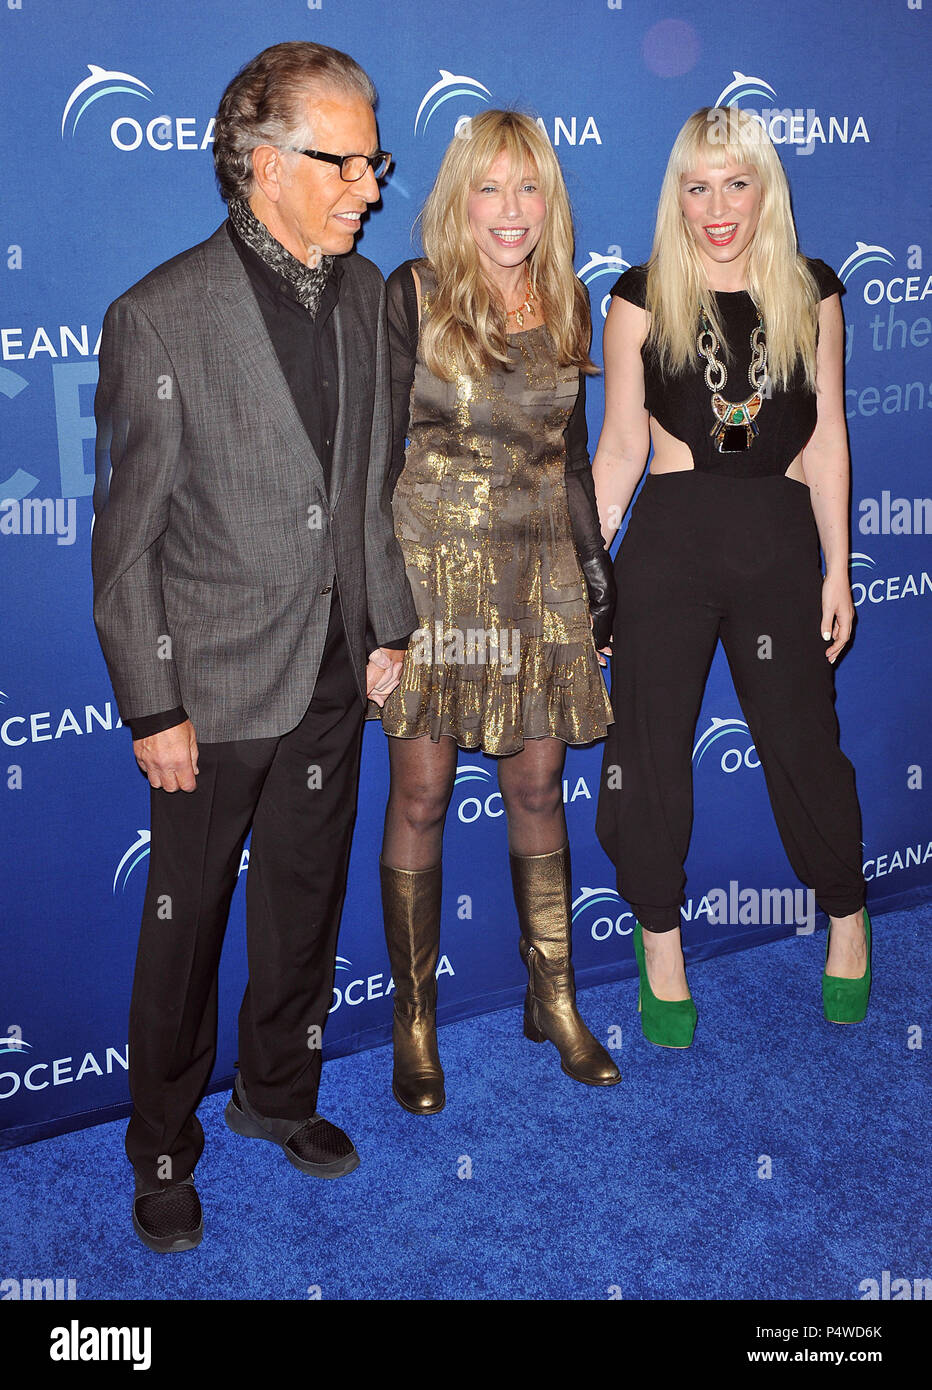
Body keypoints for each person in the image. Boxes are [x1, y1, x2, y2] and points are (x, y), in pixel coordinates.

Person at [91, 41, 417, 1252]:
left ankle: (275, 1097)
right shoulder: (159, 316)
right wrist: (150, 705)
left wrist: (384, 629)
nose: (370, 185)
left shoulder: (369, 291)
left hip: (333, 671)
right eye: (346, 161)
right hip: (211, 686)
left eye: (373, 159)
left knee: (301, 904)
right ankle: (161, 1145)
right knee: (183, 928)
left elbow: (366, 488)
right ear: (263, 162)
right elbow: (125, 547)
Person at [592, 106, 870, 1049]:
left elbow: (828, 437)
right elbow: (621, 449)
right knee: (649, 751)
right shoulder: (638, 295)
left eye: (736, 183)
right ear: (677, 193)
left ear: (765, 189)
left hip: (779, 542)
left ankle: (846, 916)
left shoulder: (812, 291)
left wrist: (838, 566)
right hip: (667, 545)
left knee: (806, 746)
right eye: (697, 185)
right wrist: (592, 575)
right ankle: (658, 938)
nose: (718, 207)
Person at [373, 109, 621, 1114]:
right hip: (432, 580)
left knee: (536, 785)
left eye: (528, 189)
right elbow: (369, 461)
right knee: (423, 795)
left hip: (538, 580)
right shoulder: (414, 292)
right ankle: (414, 1022)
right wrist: (380, 618)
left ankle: (551, 999)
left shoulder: (566, 300)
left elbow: (567, 464)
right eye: (491, 188)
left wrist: (595, 590)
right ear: (458, 196)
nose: (511, 211)